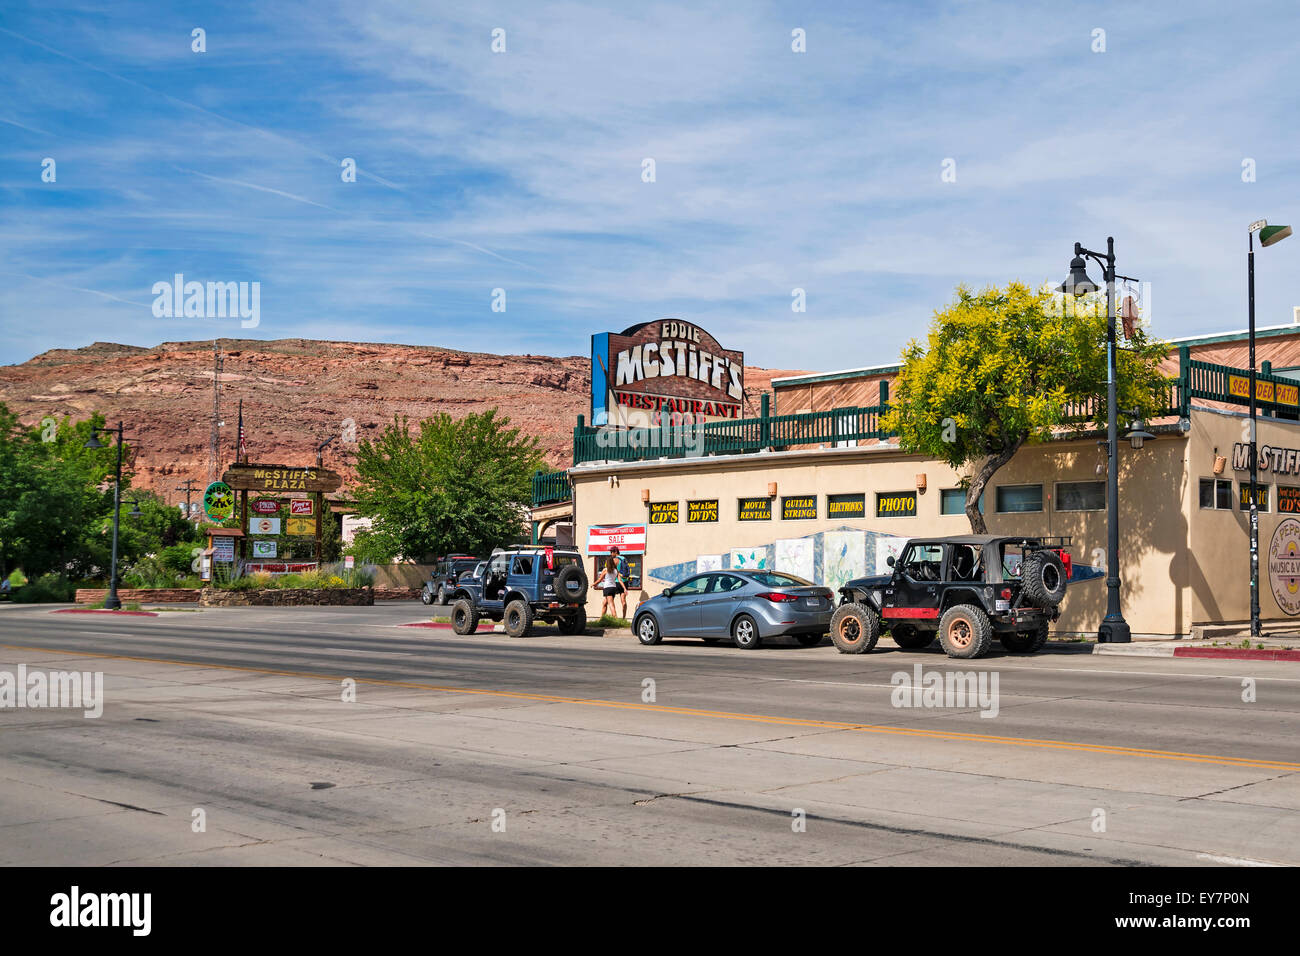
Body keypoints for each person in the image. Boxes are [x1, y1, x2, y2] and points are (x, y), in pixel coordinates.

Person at [610, 546, 631, 617]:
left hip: (616, 582)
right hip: (625, 581)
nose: (611, 554)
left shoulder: (614, 560)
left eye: (611, 552)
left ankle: (614, 617)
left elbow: (611, 572)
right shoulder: (624, 559)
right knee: (623, 601)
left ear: (615, 552)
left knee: (609, 600)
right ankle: (624, 618)